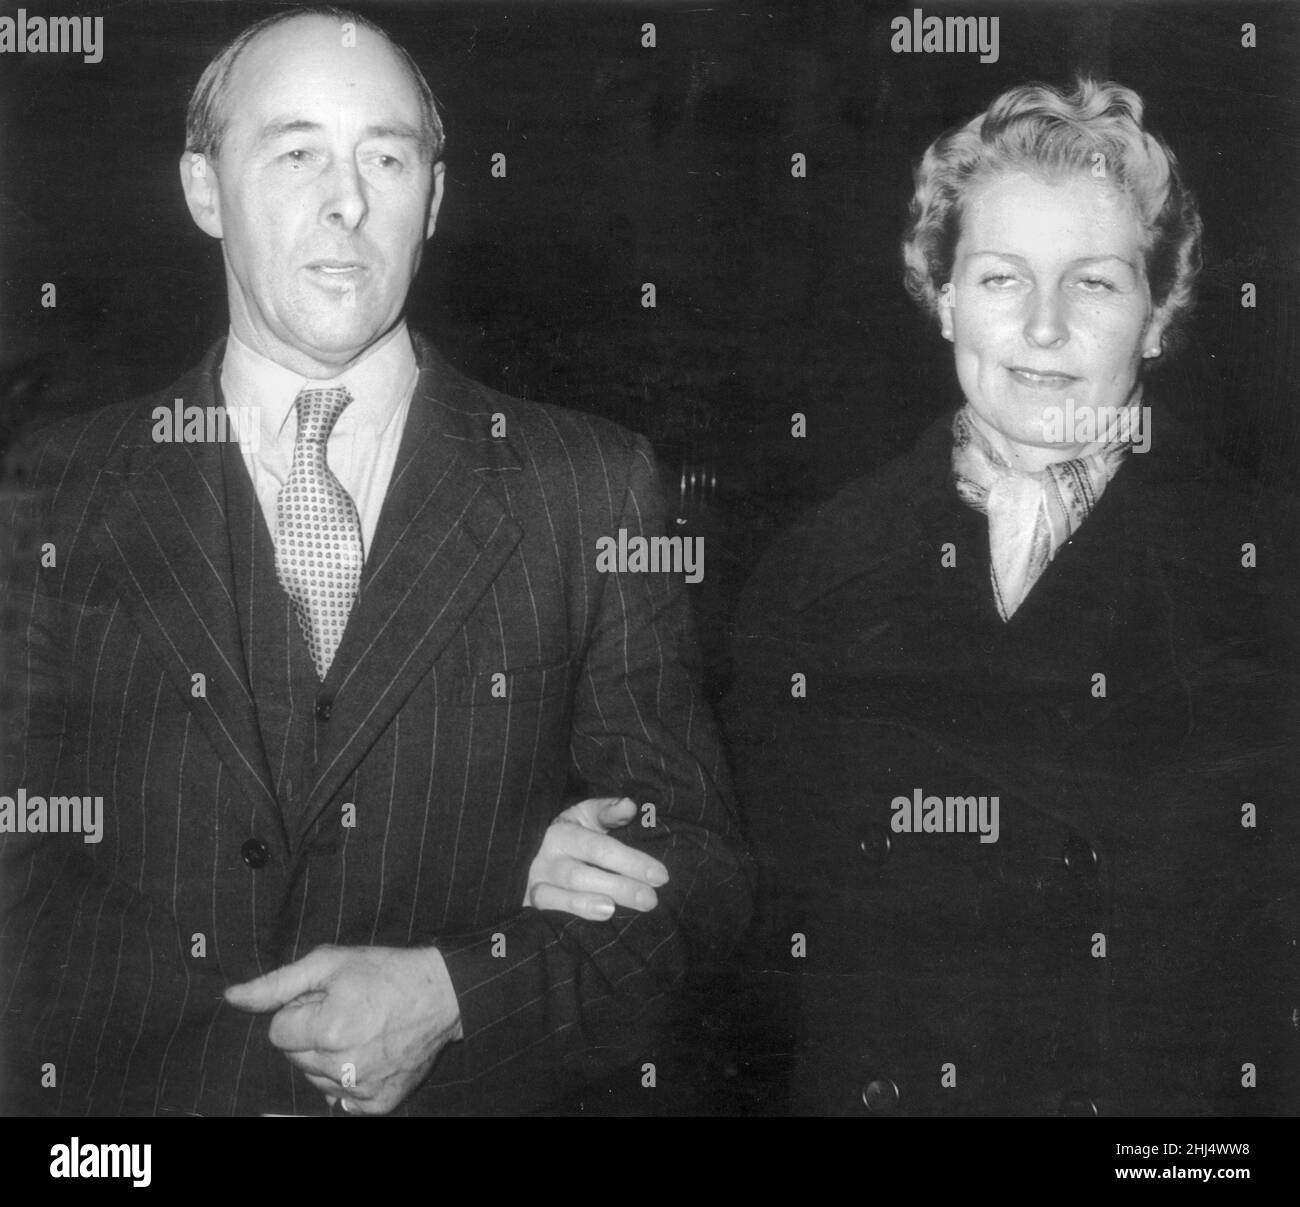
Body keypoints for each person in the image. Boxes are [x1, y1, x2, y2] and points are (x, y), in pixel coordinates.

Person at [0, 6, 749, 1117]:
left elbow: (702, 876)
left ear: (434, 199)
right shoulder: (54, 489)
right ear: (204, 190)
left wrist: (461, 991)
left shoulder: (585, 485)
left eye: (386, 157)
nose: (345, 201)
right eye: (295, 151)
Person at [723, 78, 1295, 1116]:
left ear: (1159, 315)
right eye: (998, 278)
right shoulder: (811, 571)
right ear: (939, 295)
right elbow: (743, 921)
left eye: (1093, 285)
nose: (1040, 327)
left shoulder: (1267, 574)